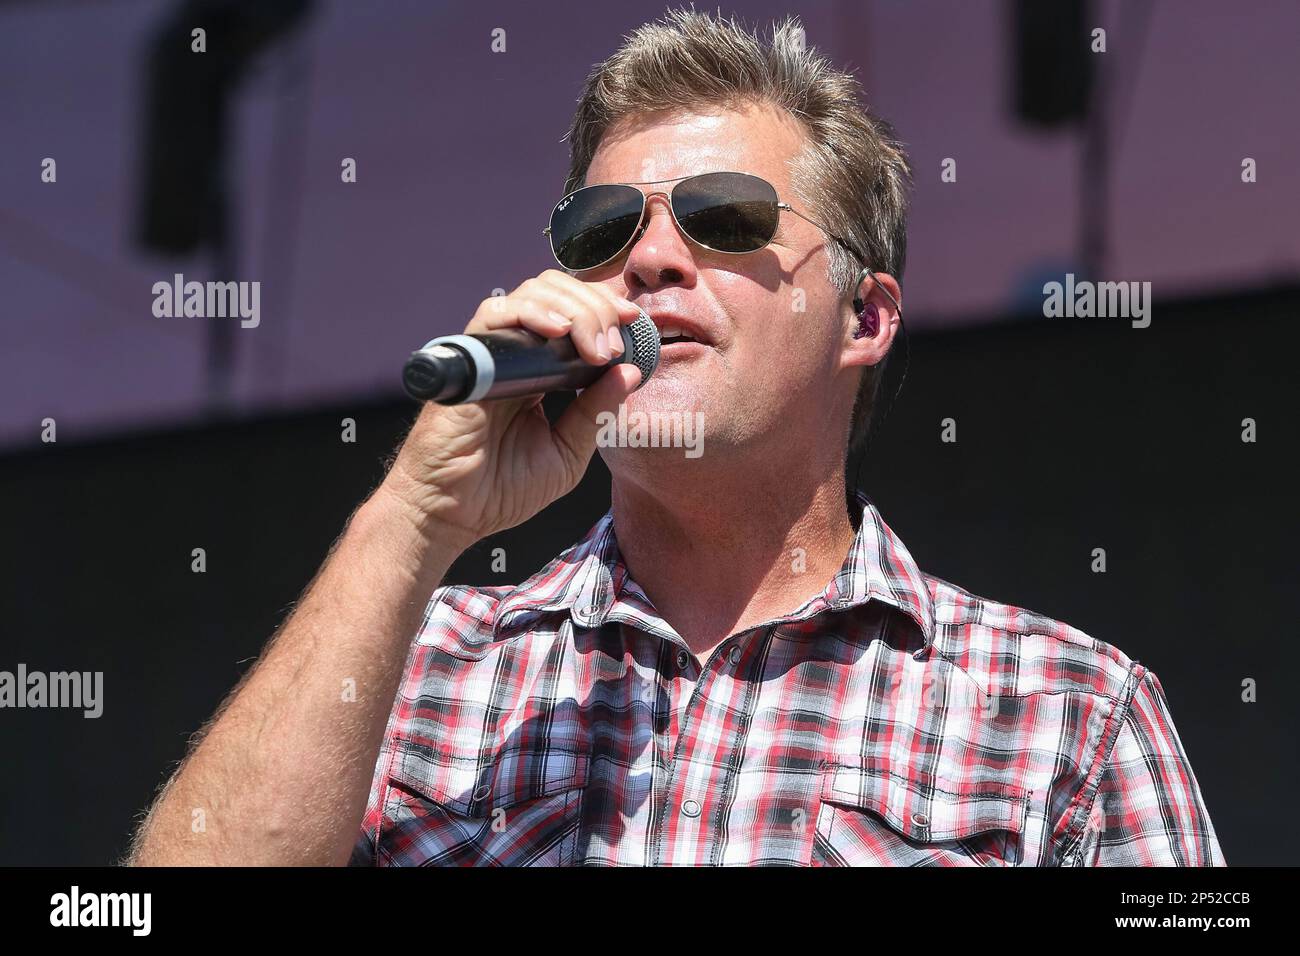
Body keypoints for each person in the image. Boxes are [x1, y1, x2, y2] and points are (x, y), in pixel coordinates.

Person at [129, 10, 1222, 867]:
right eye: (603, 229)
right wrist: (410, 521)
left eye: (723, 217)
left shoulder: (1068, 718)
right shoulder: (414, 672)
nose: (649, 261)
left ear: (865, 316)